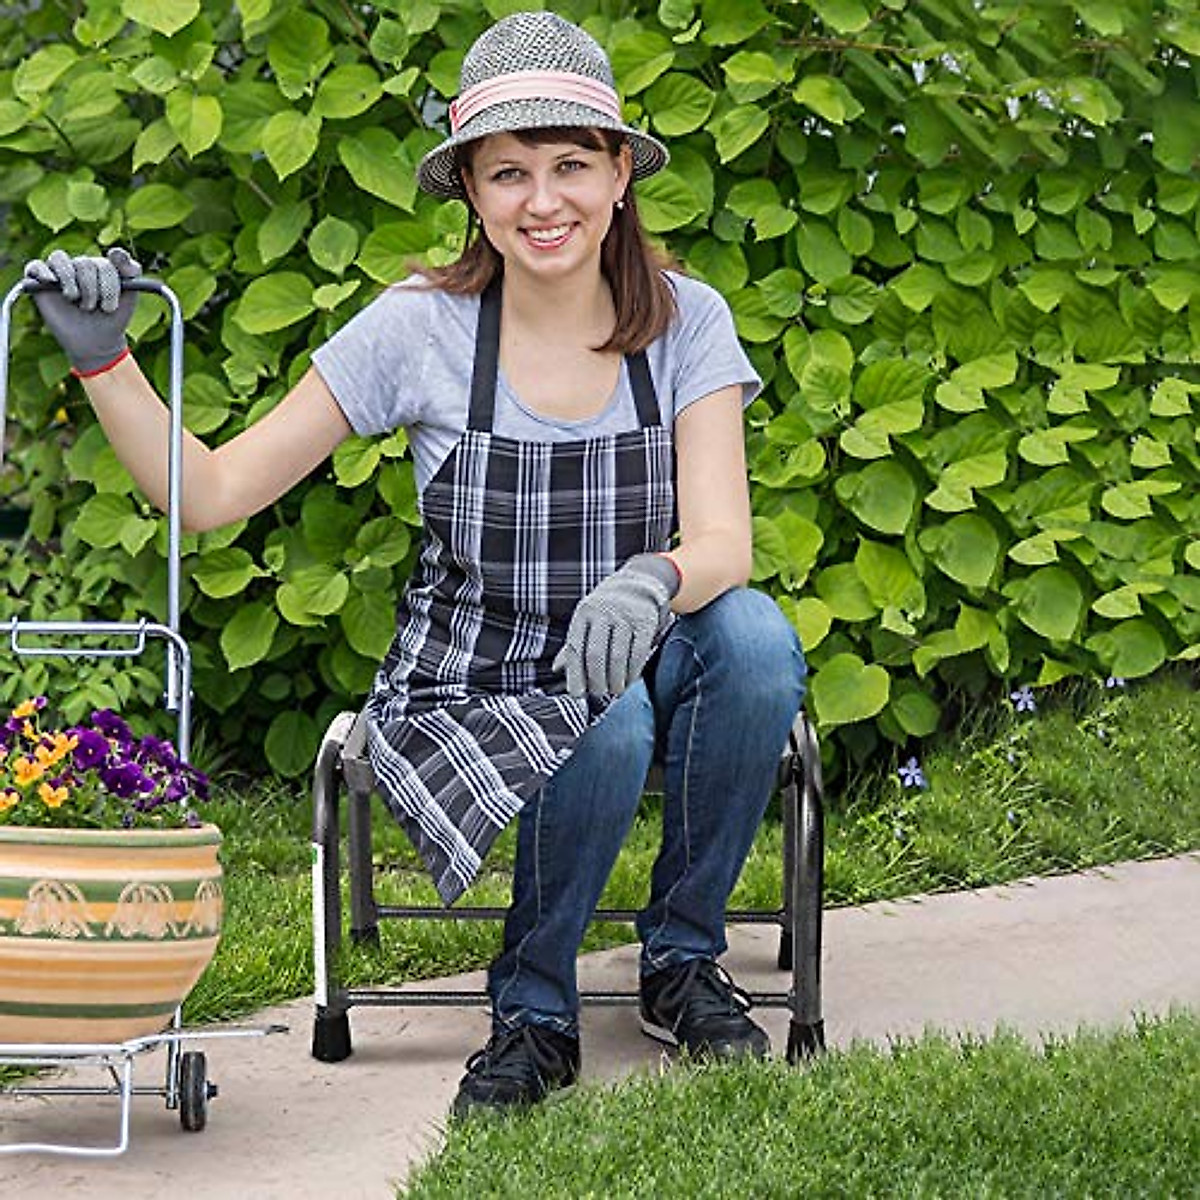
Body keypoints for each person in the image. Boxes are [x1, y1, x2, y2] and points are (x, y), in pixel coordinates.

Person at [25, 11, 807, 1116]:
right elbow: (210, 494)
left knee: (760, 642)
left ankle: (681, 961)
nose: (544, 201)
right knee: (611, 716)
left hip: (641, 628)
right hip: (474, 669)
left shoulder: (687, 321)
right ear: (474, 196)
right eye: (510, 173)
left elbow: (726, 541)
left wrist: (657, 579)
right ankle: (532, 1009)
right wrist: (105, 362)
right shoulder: (418, 331)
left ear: (622, 173)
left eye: (572, 165)